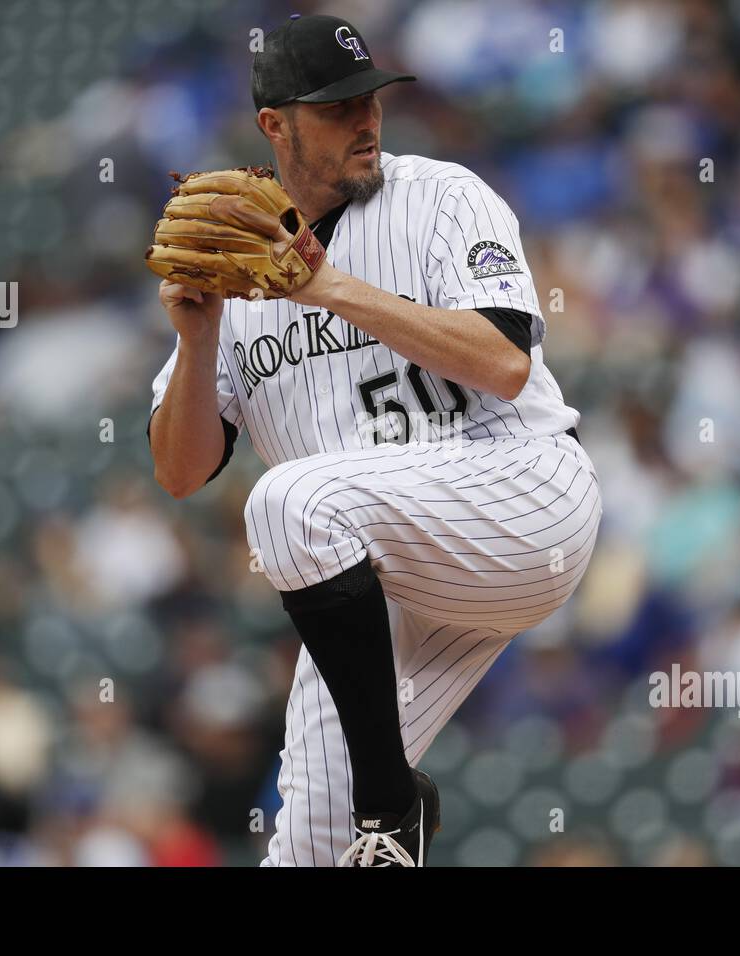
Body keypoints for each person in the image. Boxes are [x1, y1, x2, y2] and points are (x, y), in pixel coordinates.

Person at [148, 14, 602, 867]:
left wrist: (328, 286)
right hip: (382, 586)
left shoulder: (439, 196)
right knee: (308, 853)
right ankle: (384, 809)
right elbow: (178, 471)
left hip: (520, 498)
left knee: (289, 500)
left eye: (371, 99)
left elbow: (504, 362)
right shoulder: (236, 266)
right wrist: (198, 335)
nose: (365, 120)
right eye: (335, 107)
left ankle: (394, 804)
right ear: (273, 126)